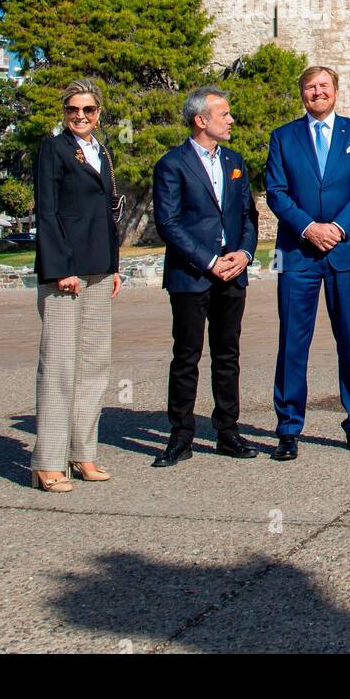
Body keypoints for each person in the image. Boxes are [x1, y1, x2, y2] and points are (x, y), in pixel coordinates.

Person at [265, 65, 350, 461]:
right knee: (293, 342)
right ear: (302, 93)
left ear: (336, 91)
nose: (317, 93)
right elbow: (276, 193)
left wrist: (338, 228)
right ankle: (288, 428)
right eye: (310, 87)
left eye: (324, 86)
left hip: (347, 252)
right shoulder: (282, 137)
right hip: (298, 254)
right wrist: (308, 228)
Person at [151, 86, 259, 467]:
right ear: (201, 120)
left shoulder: (235, 161)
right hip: (191, 276)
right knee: (186, 356)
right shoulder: (171, 164)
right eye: (224, 114)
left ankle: (228, 432)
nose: (231, 120)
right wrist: (209, 261)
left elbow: (248, 215)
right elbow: (169, 223)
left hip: (233, 275)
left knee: (227, 355)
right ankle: (180, 436)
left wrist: (244, 254)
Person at [31, 79, 121, 492]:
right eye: (73, 110)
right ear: (64, 113)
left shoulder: (102, 151)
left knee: (94, 366)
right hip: (66, 273)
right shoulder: (53, 150)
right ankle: (48, 462)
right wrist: (60, 267)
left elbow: (107, 212)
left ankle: (82, 453)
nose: (80, 116)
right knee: (60, 366)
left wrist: (115, 265)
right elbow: (47, 212)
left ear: (98, 114)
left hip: (100, 269)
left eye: (88, 110)